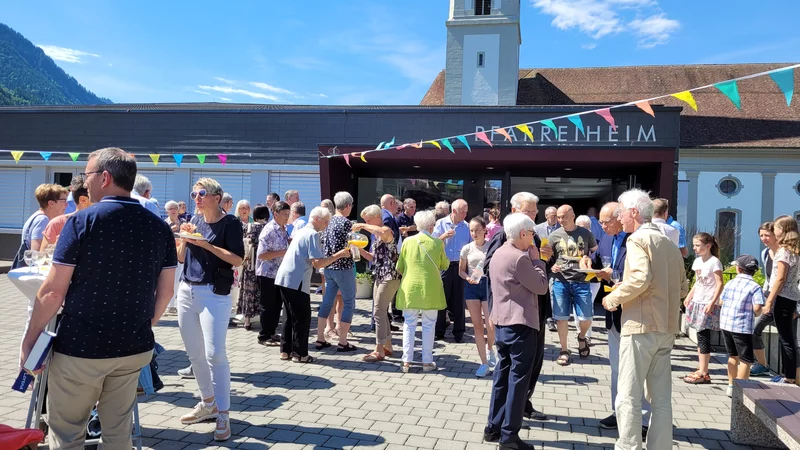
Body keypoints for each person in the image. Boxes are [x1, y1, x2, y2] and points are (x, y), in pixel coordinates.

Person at [20, 147, 177, 449]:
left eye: (87, 175)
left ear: (105, 177)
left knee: (67, 435)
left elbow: (53, 291)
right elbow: (166, 291)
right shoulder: (159, 227)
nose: (83, 182)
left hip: (81, 349)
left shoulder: (81, 221)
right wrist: (145, 322)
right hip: (134, 347)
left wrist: (30, 341)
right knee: (119, 434)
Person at [602, 188, 687, 450]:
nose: (619, 217)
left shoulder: (637, 240)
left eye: (621, 213)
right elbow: (682, 287)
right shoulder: (669, 244)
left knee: (628, 395)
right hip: (666, 328)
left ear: (634, 213)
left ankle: (628, 446)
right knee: (661, 399)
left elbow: (640, 279)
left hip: (639, 327)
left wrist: (613, 298)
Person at [175, 178, 244, 441]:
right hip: (186, 290)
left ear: (216, 197)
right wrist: (184, 238)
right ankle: (208, 403)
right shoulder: (195, 220)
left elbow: (238, 259)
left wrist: (206, 245)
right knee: (194, 354)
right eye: (194, 193)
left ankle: (223, 413)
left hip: (214, 293)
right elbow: (181, 258)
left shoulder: (230, 223)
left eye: (202, 193)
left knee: (215, 353)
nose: (196, 197)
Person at [484, 191, 553, 421]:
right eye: (529, 211)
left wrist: (545, 259)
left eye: (535, 211)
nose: (534, 215)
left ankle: (522, 403)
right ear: (514, 211)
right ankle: (510, 419)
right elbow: (491, 272)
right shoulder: (505, 237)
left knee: (534, 362)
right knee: (513, 370)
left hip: (536, 310)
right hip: (514, 314)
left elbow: (542, 273)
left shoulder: (534, 236)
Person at [585, 202, 650, 432]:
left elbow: (640, 276)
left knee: (636, 370)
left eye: (606, 222)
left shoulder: (636, 239)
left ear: (619, 217)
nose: (602, 226)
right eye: (601, 222)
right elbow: (598, 264)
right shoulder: (605, 238)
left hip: (633, 314)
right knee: (617, 368)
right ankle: (619, 411)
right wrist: (588, 264)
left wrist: (615, 274)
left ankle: (642, 420)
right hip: (612, 314)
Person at [275, 207, 351, 362]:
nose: (327, 224)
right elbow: (317, 263)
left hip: (284, 277)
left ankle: (286, 351)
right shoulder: (312, 234)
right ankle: (300, 354)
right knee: (302, 317)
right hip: (296, 280)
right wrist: (339, 255)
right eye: (325, 221)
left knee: (289, 315)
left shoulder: (302, 231)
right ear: (317, 219)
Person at [396, 210, 450, 372]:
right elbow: (444, 265)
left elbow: (400, 267)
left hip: (410, 288)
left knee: (409, 324)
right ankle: (427, 362)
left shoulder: (407, 242)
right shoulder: (437, 243)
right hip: (430, 289)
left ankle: (406, 361)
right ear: (432, 226)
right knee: (429, 325)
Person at [549, 204, 598, 365]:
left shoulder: (585, 233)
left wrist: (589, 259)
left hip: (582, 281)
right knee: (561, 318)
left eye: (563, 216)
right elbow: (546, 257)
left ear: (573, 215)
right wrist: (551, 265)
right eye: (559, 217)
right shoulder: (554, 236)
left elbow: (595, 252)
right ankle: (564, 350)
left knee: (586, 318)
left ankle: (582, 336)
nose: (561, 220)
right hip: (560, 281)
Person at [353, 205, 401, 362]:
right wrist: (360, 251)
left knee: (378, 312)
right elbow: (375, 258)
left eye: (368, 219)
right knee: (381, 311)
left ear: (376, 218)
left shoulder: (386, 230)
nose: (366, 222)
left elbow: (383, 233)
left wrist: (363, 226)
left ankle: (379, 350)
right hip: (380, 275)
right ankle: (387, 346)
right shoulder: (377, 234)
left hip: (390, 276)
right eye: (365, 220)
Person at [317, 191, 358, 351]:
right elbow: (354, 245)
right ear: (347, 206)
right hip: (343, 268)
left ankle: (320, 338)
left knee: (328, 302)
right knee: (349, 302)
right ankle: (343, 341)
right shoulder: (347, 224)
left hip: (329, 267)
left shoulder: (329, 221)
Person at [719, 254, 765, 397]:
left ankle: (731, 385)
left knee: (733, 356)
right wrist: (756, 313)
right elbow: (757, 308)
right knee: (746, 360)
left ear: (738, 269)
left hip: (726, 324)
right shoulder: (755, 286)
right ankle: (742, 390)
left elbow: (721, 302)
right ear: (755, 271)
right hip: (742, 326)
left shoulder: (730, 283)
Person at [762, 215, 800, 384]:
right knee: (788, 337)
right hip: (790, 298)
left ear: (783, 230)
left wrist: (770, 300)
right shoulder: (793, 250)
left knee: (786, 338)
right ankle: (789, 375)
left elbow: (780, 278)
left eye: (776, 228)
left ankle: (789, 377)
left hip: (783, 298)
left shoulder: (784, 251)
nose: (774, 230)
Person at [682, 232, 724, 384]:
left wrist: (712, 302)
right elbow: (698, 282)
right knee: (700, 335)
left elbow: (720, 283)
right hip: (698, 301)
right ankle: (702, 369)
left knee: (703, 335)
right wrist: (689, 296)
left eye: (698, 245)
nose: (695, 248)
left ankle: (704, 371)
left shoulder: (714, 262)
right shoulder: (698, 262)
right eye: (694, 245)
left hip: (707, 302)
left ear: (708, 246)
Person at [459, 216, 495, 377]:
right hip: (471, 287)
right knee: (477, 326)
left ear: (484, 229)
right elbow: (461, 270)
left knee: (491, 324)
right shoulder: (466, 248)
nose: (474, 233)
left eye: (477, 230)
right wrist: (467, 278)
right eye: (472, 230)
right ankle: (484, 363)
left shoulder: (491, 247)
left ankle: (490, 349)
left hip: (488, 285)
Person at [433, 198, 471, 342]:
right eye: (462, 212)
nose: (464, 215)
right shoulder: (441, 224)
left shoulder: (466, 226)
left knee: (459, 300)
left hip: (460, 265)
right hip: (444, 266)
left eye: (466, 212)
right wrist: (443, 237)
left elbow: (471, 246)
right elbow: (432, 243)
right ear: (453, 211)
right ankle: (439, 330)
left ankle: (459, 331)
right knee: (441, 298)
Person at [256, 201, 291, 346]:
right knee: (267, 305)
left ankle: (271, 332)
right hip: (267, 274)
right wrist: (284, 251)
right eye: (284, 214)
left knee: (277, 305)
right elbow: (262, 254)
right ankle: (263, 335)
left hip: (279, 273)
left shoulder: (283, 228)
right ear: (275, 214)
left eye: (288, 214)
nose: (287, 217)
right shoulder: (269, 230)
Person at [11, 183, 68, 269]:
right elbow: (36, 254)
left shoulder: (37, 216)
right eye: (64, 201)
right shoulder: (42, 220)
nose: (66, 205)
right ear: (51, 203)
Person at [751, 222, 779, 376]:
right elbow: (769, 278)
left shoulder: (785, 254)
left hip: (784, 299)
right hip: (769, 298)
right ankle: (762, 364)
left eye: (767, 235)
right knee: (754, 329)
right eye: (761, 235)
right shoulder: (765, 253)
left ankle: (792, 375)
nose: (764, 238)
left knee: (789, 339)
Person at [237, 205, 269, 330]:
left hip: (249, 263)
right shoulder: (267, 228)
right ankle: (264, 319)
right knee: (263, 292)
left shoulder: (248, 226)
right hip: (263, 263)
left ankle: (247, 320)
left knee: (248, 291)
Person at [41, 176, 92, 249]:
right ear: (83, 200)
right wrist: (55, 247)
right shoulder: (57, 224)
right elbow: (42, 258)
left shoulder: (102, 223)